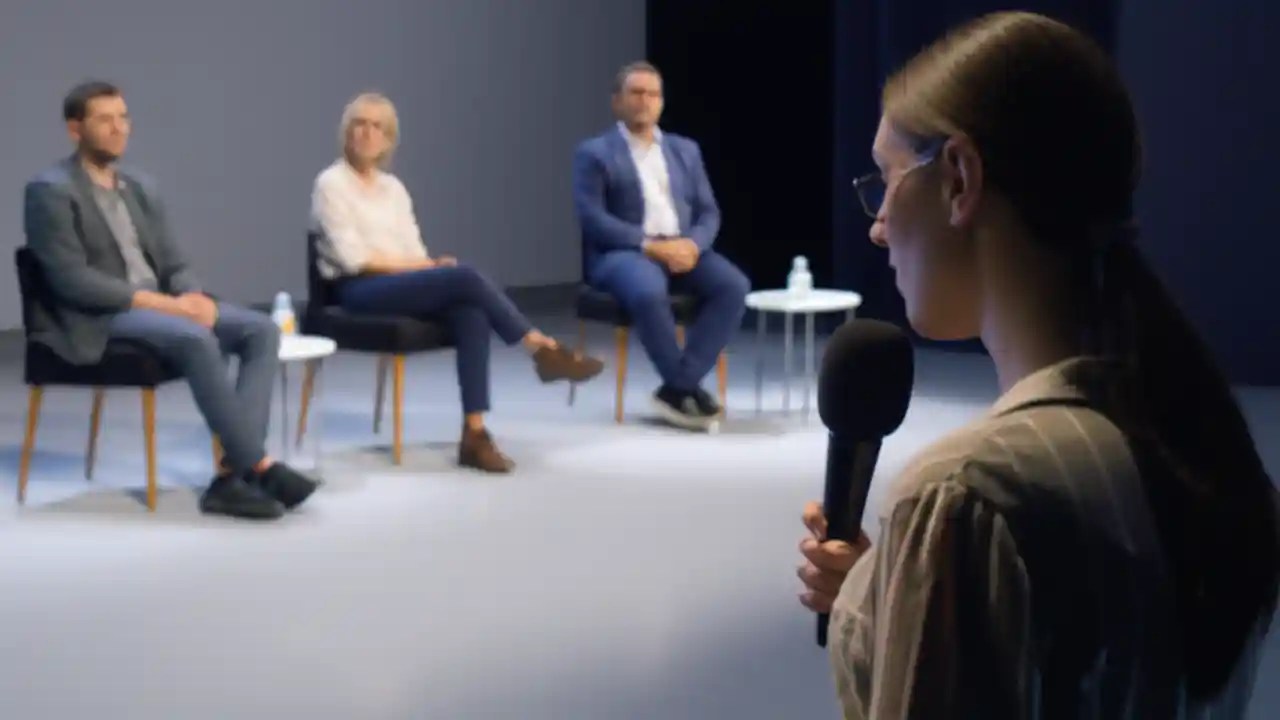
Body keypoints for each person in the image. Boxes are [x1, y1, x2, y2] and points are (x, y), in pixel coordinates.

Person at [796, 12, 1278, 718]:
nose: (876, 226)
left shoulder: (967, 495)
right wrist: (884, 592)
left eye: (887, 181)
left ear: (960, 179)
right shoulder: (1211, 460)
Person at [23, 80, 318, 521]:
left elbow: (173, 261)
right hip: (99, 315)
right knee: (195, 339)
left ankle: (230, 477)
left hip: (161, 307)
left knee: (261, 330)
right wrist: (170, 308)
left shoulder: (140, 185)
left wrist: (191, 295)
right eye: (105, 119)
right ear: (74, 128)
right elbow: (73, 282)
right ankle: (257, 466)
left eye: (123, 117)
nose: (119, 128)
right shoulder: (50, 190)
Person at [310, 92, 605, 473]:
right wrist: (426, 268)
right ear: (346, 132)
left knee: (470, 310)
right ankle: (540, 348)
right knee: (464, 276)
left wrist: (429, 265)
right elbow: (355, 259)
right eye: (359, 124)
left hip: (397, 283)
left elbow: (413, 248)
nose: (367, 132)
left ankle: (474, 433)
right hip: (354, 290)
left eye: (377, 126)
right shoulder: (331, 183)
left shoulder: (393, 188)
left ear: (388, 139)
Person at [572, 61, 750, 431]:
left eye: (653, 94)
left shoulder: (686, 150)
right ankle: (684, 388)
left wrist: (693, 245)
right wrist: (649, 246)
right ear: (617, 101)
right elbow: (593, 219)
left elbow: (708, 212)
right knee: (649, 292)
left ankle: (677, 386)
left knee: (734, 285)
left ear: (662, 103)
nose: (645, 101)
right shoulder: (594, 153)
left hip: (682, 248)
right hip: (623, 254)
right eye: (636, 93)